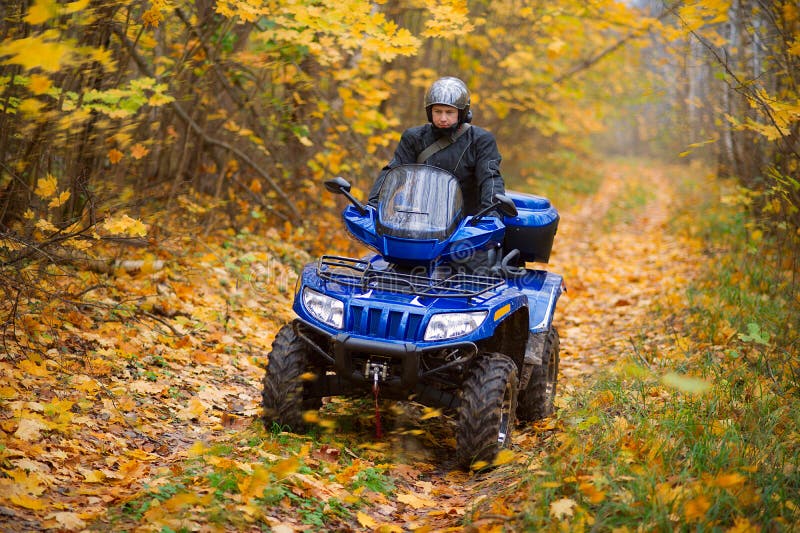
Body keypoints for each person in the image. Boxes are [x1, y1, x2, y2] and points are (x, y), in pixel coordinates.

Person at [368, 76, 506, 273]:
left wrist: (489, 217)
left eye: (449, 112)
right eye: (437, 111)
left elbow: (490, 178)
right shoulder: (414, 137)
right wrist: (372, 206)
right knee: (394, 277)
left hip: (466, 228)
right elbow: (393, 171)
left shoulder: (481, 140)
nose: (443, 118)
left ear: (462, 113)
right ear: (429, 112)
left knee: (472, 285)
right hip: (418, 223)